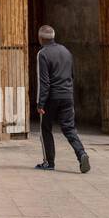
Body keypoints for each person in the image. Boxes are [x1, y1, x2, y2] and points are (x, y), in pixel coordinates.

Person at [34, 25, 91, 173]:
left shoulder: (43, 54)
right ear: (53, 36)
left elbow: (44, 82)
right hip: (67, 95)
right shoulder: (66, 51)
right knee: (69, 129)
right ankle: (82, 154)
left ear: (40, 38)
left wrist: (40, 103)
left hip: (51, 98)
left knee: (45, 129)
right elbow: (72, 75)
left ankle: (49, 162)